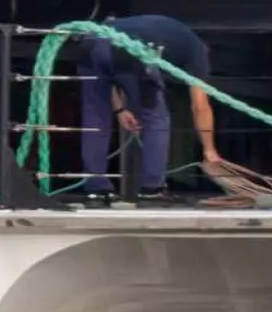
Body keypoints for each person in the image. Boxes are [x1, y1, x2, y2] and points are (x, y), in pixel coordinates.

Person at [75, 14, 235, 197]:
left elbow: (106, 61)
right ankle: (152, 187)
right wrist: (209, 150)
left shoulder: (172, 32)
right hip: (130, 48)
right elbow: (199, 106)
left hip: (90, 42)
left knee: (95, 119)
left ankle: (96, 189)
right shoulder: (198, 52)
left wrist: (120, 109)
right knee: (156, 119)